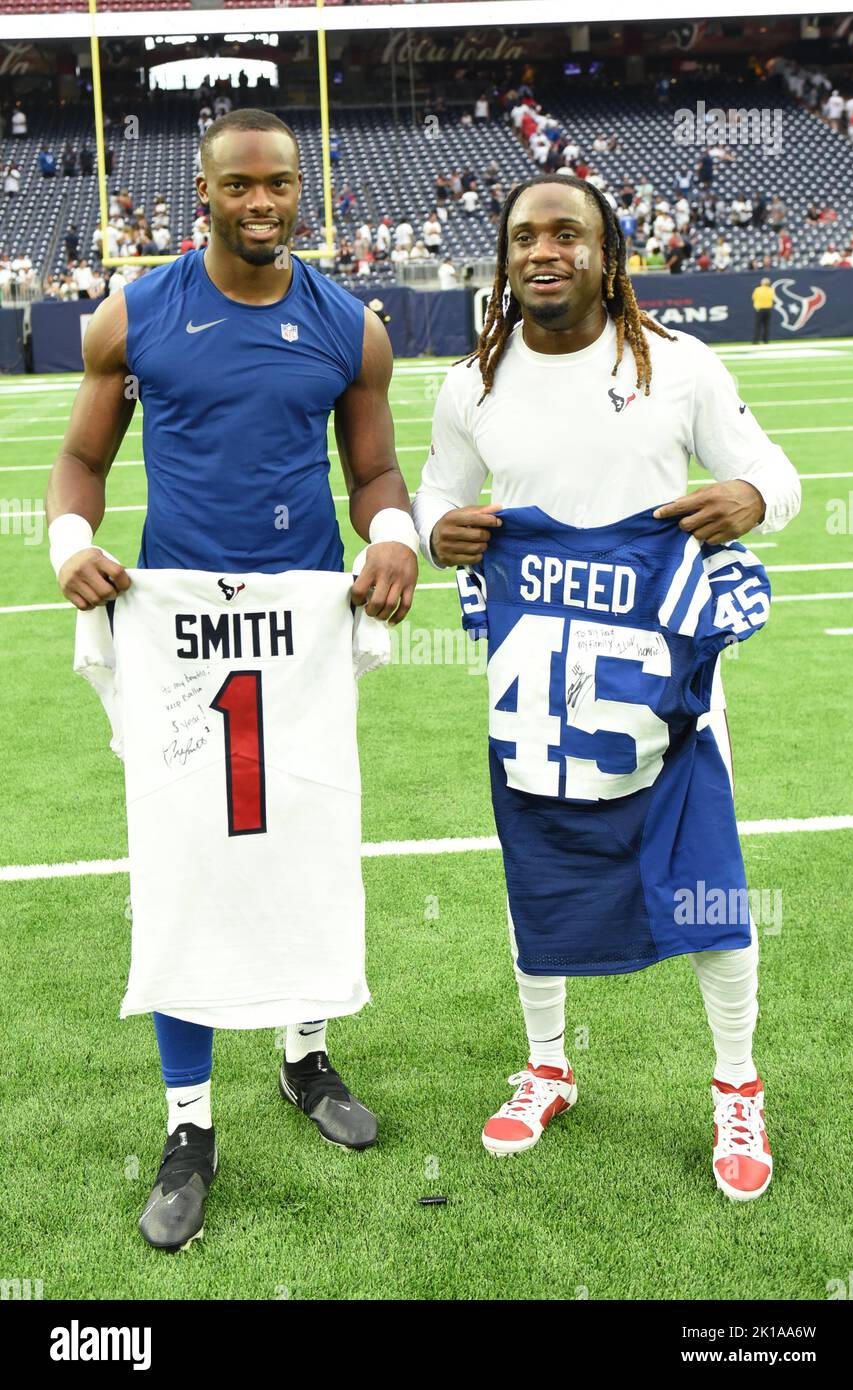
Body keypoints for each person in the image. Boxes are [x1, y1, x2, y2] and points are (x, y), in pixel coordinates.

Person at [45, 108, 418, 1253]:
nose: (264, 203)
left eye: (282, 185)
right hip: (182, 635)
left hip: (299, 634)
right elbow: (80, 460)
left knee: (303, 849)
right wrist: (71, 547)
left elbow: (371, 465)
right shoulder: (138, 311)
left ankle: (304, 1060)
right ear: (201, 193)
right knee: (185, 869)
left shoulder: (345, 324)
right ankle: (187, 1124)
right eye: (240, 186)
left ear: (303, 191)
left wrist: (394, 531)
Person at [411, 173, 800, 1201]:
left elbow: (780, 477)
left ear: (607, 252)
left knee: (711, 890)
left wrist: (749, 493)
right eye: (524, 236)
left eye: (566, 234)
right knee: (533, 873)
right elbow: (436, 494)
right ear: (503, 258)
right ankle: (546, 1064)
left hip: (660, 690)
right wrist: (432, 530)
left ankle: (734, 1084)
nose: (544, 250)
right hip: (536, 688)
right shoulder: (471, 382)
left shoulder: (676, 367)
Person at [751, 276, 774, 342]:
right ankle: (766, 340)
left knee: (758, 326)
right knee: (766, 326)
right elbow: (772, 298)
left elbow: (753, 298)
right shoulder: (771, 290)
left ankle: (756, 340)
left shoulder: (758, 289)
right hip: (768, 309)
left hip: (759, 309)